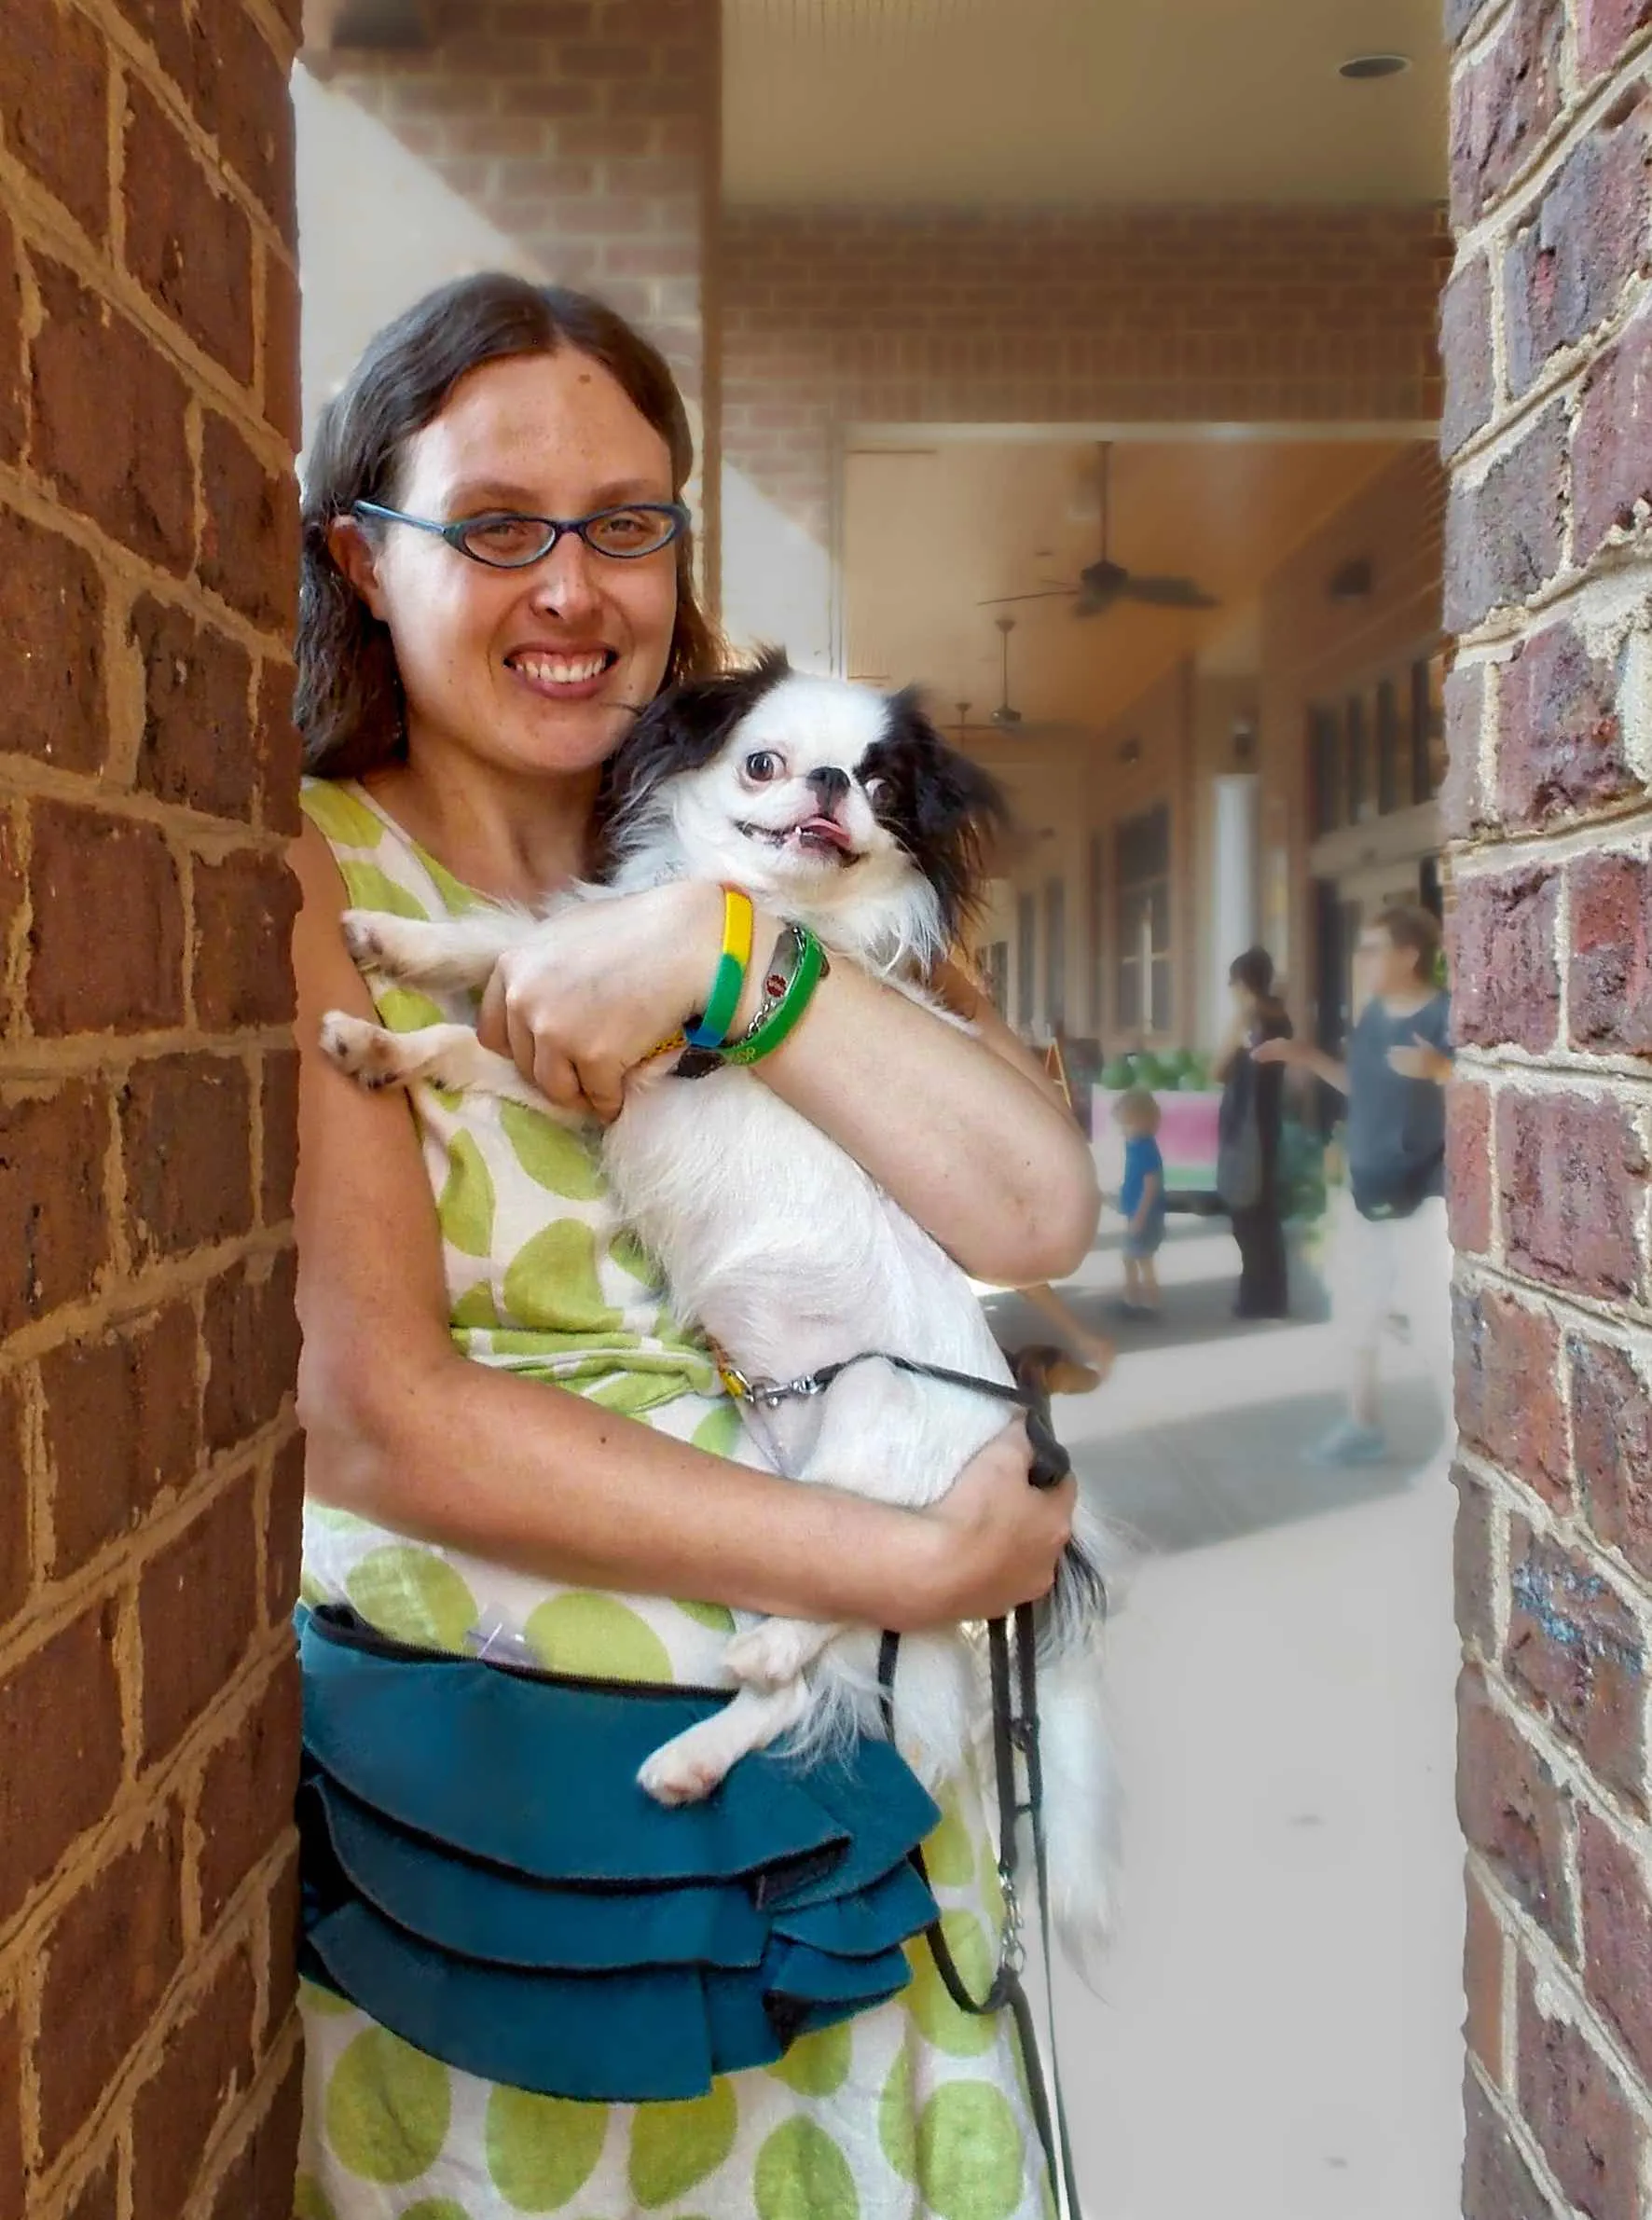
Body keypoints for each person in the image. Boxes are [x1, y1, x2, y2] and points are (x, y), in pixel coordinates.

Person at [288, 274, 1096, 2219]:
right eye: (496, 524)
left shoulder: (788, 859)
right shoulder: (308, 870)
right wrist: (909, 1557)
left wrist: (739, 950)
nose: (571, 586)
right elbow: (375, 1413)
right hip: (525, 1847)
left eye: (626, 523)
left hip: (852, 1816)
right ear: (360, 555)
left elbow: (1030, 1204)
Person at [1254, 903, 1452, 1468]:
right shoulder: (1370, 1019)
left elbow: (1486, 1087)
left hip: (1426, 1195)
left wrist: (1439, 1068)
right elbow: (1360, 1088)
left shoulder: (1446, 1015)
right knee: (1355, 1314)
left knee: (1434, 1324)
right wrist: (1305, 1056)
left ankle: (1463, 1450)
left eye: (1372, 948)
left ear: (1409, 954)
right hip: (1364, 1190)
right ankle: (1362, 1425)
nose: (1360, 959)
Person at [1214, 945, 1292, 1320]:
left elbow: (1216, 1068)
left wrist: (1236, 1021)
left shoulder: (1250, 1019)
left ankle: (1256, 1298)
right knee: (1264, 1213)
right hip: (1268, 1120)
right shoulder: (1281, 1017)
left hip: (1245, 1124)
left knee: (1245, 1214)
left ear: (1242, 983)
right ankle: (1272, 1295)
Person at [1112, 1087, 1165, 1317]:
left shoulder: (1145, 1148)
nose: (1124, 1131)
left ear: (1145, 1122)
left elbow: (1151, 1186)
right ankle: (1136, 1301)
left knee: (1138, 1260)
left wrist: (1139, 1218)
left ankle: (1141, 1303)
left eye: (1128, 1125)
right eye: (1122, 1125)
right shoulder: (1135, 1144)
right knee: (1135, 1259)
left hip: (1144, 1216)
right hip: (1137, 1214)